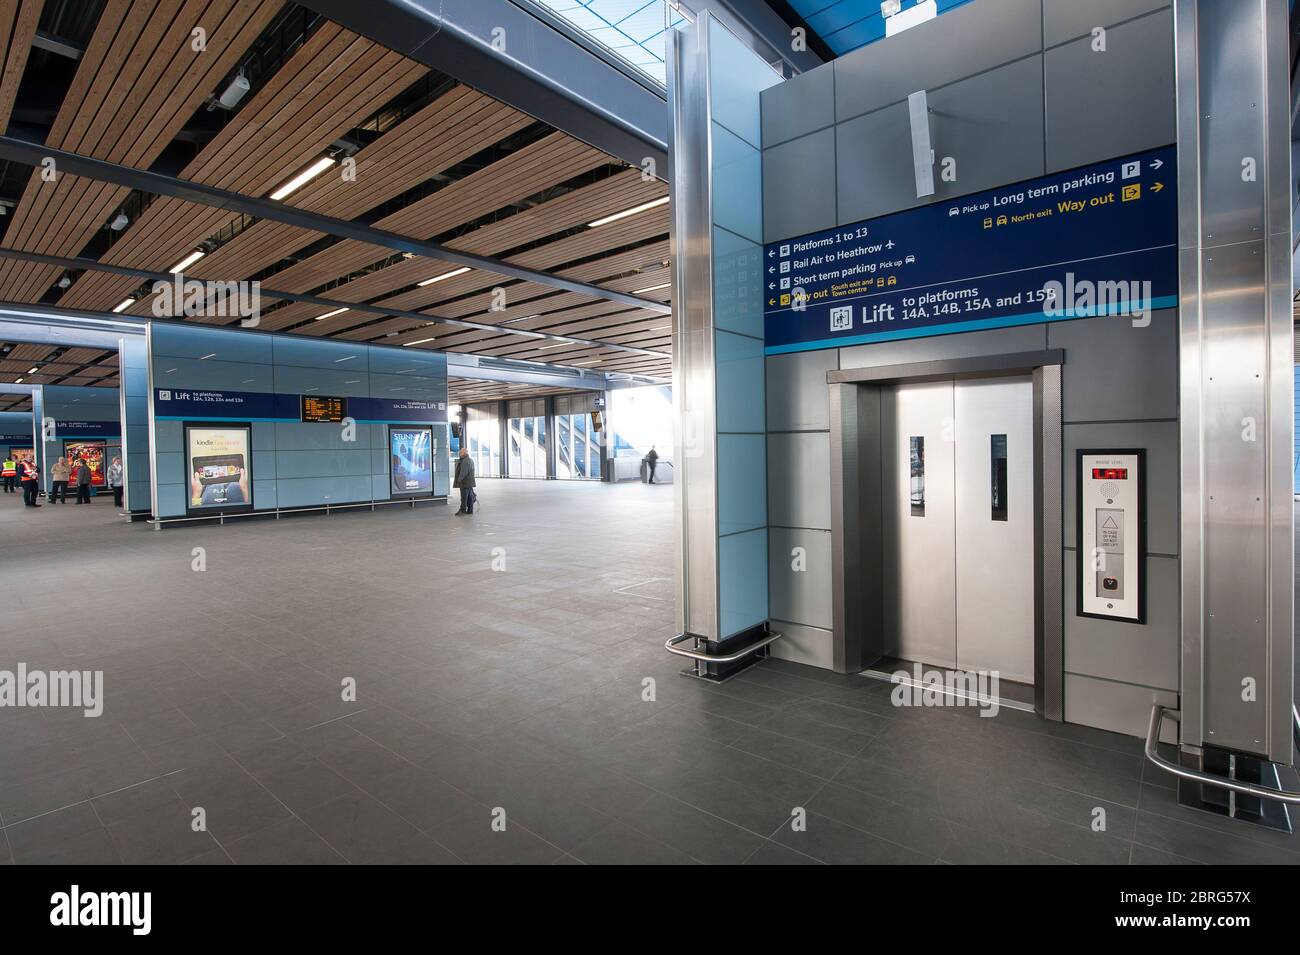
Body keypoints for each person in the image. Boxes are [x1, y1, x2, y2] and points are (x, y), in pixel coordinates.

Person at [453, 447, 476, 515]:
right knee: (469, 497)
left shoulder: (465, 461)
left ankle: (462, 510)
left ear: (463, 453)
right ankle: (470, 510)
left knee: (464, 497)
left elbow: (463, 472)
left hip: (464, 482)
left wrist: (459, 480)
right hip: (470, 482)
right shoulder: (470, 460)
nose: (459, 453)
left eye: (460, 452)